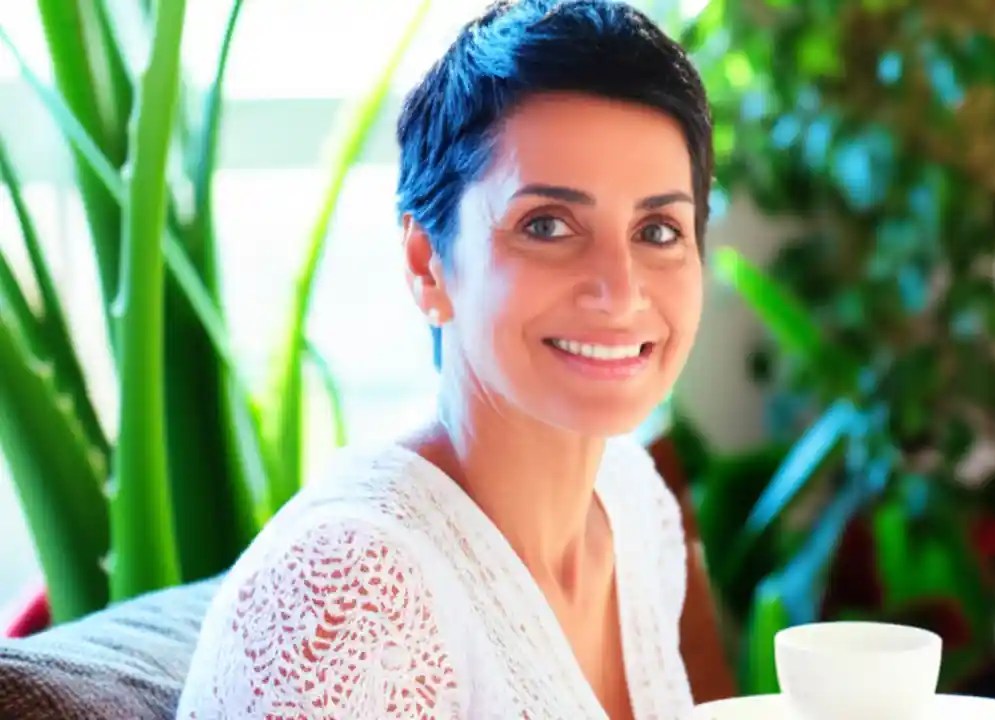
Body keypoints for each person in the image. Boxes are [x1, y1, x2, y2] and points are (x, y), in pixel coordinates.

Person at [176, 0, 711, 717]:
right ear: (427, 265)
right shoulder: (352, 592)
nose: (620, 292)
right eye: (547, 225)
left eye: (658, 228)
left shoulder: (632, 504)